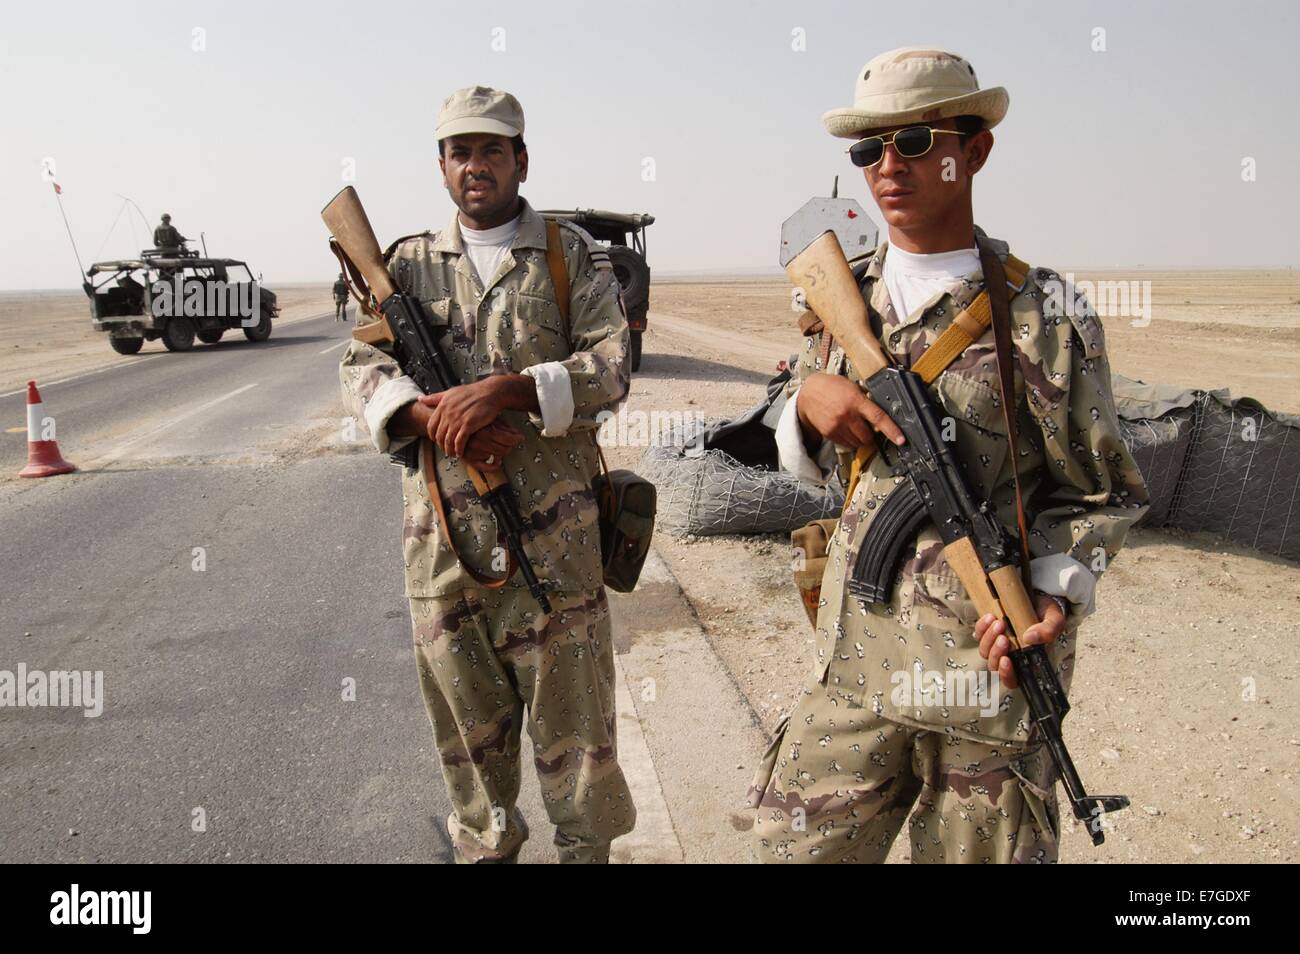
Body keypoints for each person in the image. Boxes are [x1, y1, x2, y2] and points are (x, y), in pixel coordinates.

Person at [747, 48, 1150, 863]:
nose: (889, 167)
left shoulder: (1046, 318)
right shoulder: (839, 301)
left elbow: (1103, 497)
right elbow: (789, 442)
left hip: (987, 691)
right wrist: (805, 404)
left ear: (976, 150)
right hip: (854, 670)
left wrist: (1052, 598)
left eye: (918, 142)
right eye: (869, 150)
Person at [338, 85, 635, 863]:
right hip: (444, 558)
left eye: (492, 150)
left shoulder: (571, 258)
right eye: (461, 151)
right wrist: (418, 413)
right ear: (442, 166)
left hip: (558, 560)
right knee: (472, 773)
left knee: (582, 764)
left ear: (521, 160)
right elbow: (361, 364)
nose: (477, 166)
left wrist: (510, 391)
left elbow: (611, 366)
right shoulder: (402, 265)